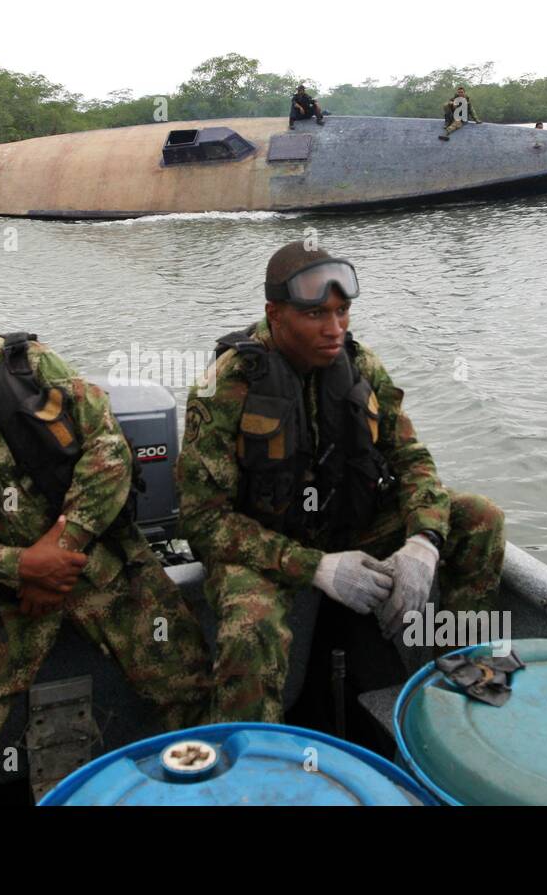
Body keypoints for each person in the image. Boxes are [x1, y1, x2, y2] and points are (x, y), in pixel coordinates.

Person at [0, 259, 211, 805]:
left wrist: (62, 544)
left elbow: (109, 448)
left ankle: (207, 794)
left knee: (192, 687)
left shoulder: (33, 368)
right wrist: (18, 566)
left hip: (97, 559)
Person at [175, 242, 506, 723]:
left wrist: (423, 542)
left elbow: (411, 458)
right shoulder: (226, 385)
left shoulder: (360, 365)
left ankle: (458, 693)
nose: (334, 329)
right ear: (276, 314)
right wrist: (316, 568)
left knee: (481, 519)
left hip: (350, 523)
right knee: (251, 626)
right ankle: (253, 762)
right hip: (268, 546)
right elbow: (203, 521)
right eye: (315, 315)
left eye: (343, 312)